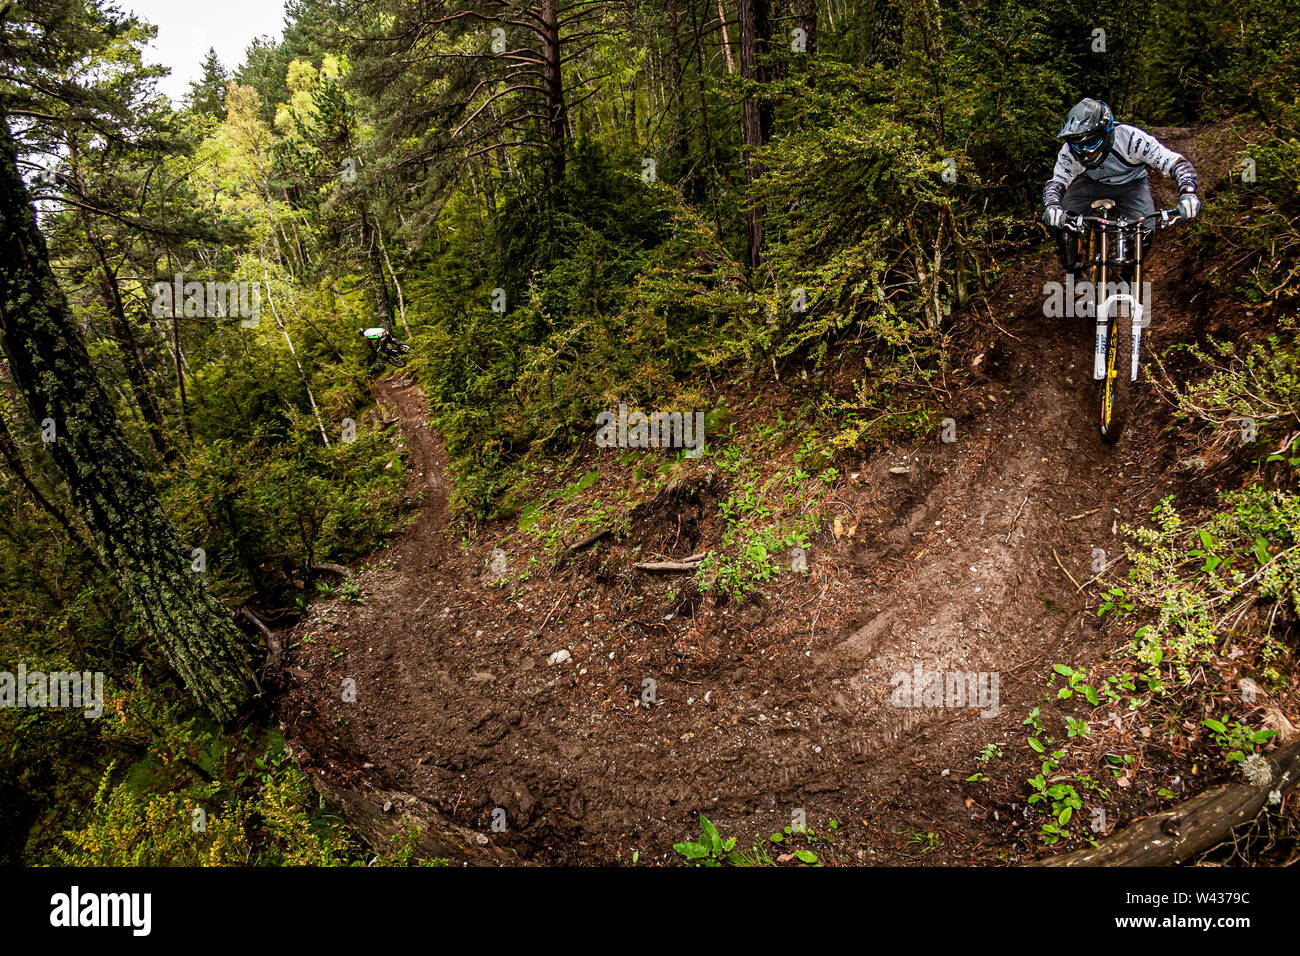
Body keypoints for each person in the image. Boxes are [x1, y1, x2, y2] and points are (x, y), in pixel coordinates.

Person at [1042, 98, 1202, 278]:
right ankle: (1075, 273)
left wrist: (1188, 193)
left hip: (1132, 184)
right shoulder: (1070, 151)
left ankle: (1128, 271)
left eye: (1091, 143)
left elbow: (1175, 162)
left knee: (1146, 229)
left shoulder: (1132, 139)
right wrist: (1053, 206)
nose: (1085, 151)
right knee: (1065, 222)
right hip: (1089, 184)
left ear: (1107, 133)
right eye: (1077, 144)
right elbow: (1057, 182)